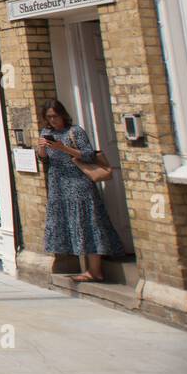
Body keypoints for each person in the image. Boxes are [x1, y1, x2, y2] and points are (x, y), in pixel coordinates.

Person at [36, 99, 125, 283]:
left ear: (63, 114)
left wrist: (64, 148)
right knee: (69, 224)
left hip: (78, 182)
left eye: (55, 116)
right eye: (49, 117)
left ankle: (95, 270)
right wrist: (42, 148)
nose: (53, 120)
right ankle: (81, 266)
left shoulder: (75, 131)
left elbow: (89, 154)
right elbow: (44, 160)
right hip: (58, 184)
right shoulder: (46, 133)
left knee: (87, 223)